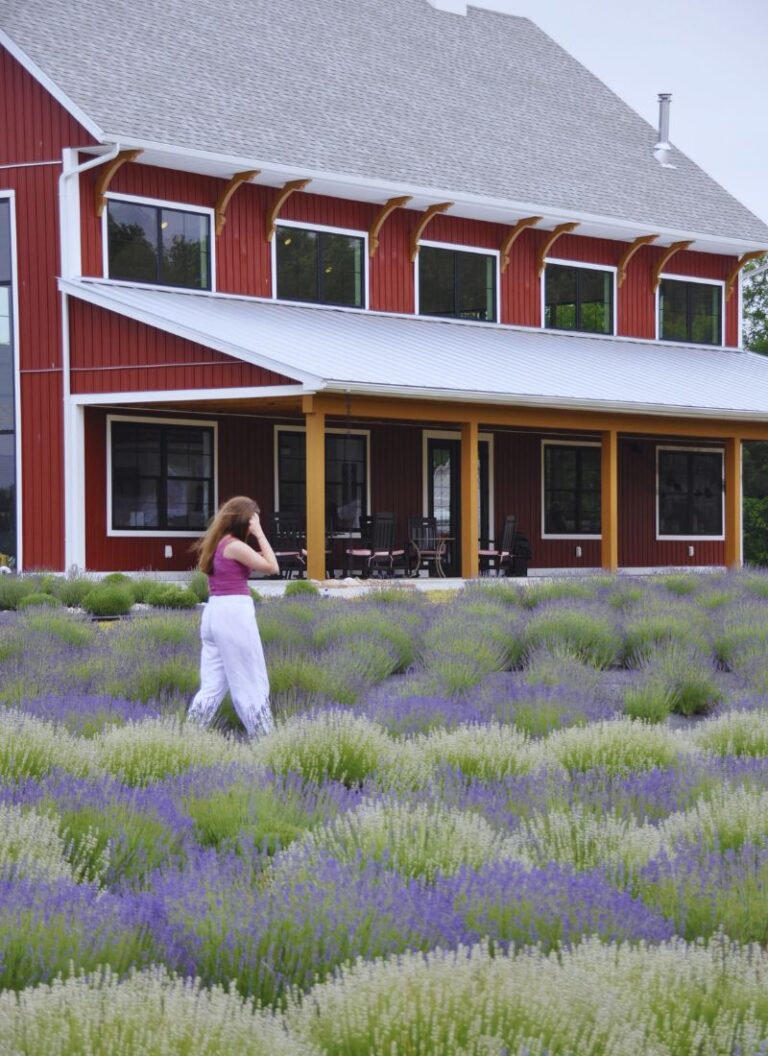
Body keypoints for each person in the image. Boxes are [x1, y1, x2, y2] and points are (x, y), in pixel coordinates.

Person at [188, 496, 279, 740]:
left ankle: (188, 738)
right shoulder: (235, 545)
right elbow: (273, 566)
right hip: (234, 615)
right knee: (250, 682)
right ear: (245, 521)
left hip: (214, 612)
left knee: (211, 687)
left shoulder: (218, 543)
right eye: (253, 520)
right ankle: (267, 742)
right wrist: (260, 534)